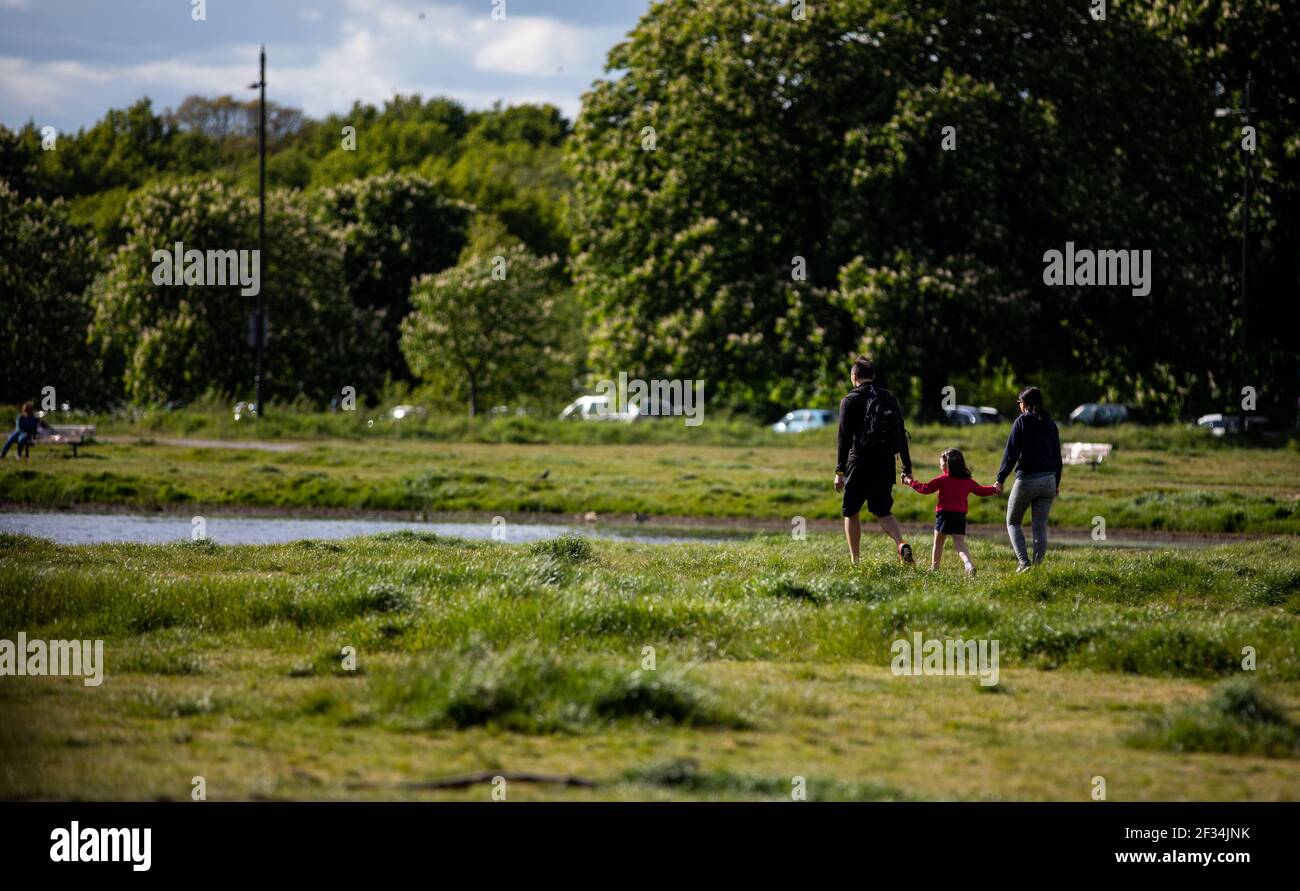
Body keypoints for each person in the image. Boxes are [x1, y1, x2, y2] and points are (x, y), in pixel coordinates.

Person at [834, 356, 914, 565]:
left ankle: (856, 561)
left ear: (854, 377)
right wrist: (907, 468)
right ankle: (900, 543)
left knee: (851, 511)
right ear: (874, 376)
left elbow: (844, 438)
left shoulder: (849, 400)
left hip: (858, 461)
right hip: (885, 462)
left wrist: (839, 471)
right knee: (883, 511)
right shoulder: (889, 398)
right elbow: (900, 433)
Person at [995, 386, 1063, 571]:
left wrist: (1000, 479)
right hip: (1049, 480)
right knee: (1039, 526)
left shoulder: (1021, 422)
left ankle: (1024, 563)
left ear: (1024, 404)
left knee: (1013, 521)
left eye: (1019, 403)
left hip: (1027, 480)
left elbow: (1011, 454)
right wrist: (1056, 483)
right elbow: (1058, 457)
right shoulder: (1051, 424)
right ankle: (1038, 567)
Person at [903, 447, 997, 576]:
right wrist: (994, 489)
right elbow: (981, 490)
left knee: (938, 544)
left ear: (948, 464)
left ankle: (934, 568)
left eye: (941, 464)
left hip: (944, 516)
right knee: (960, 545)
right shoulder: (967, 481)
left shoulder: (942, 480)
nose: (940, 466)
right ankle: (968, 564)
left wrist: (910, 482)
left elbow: (925, 489)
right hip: (960, 516)